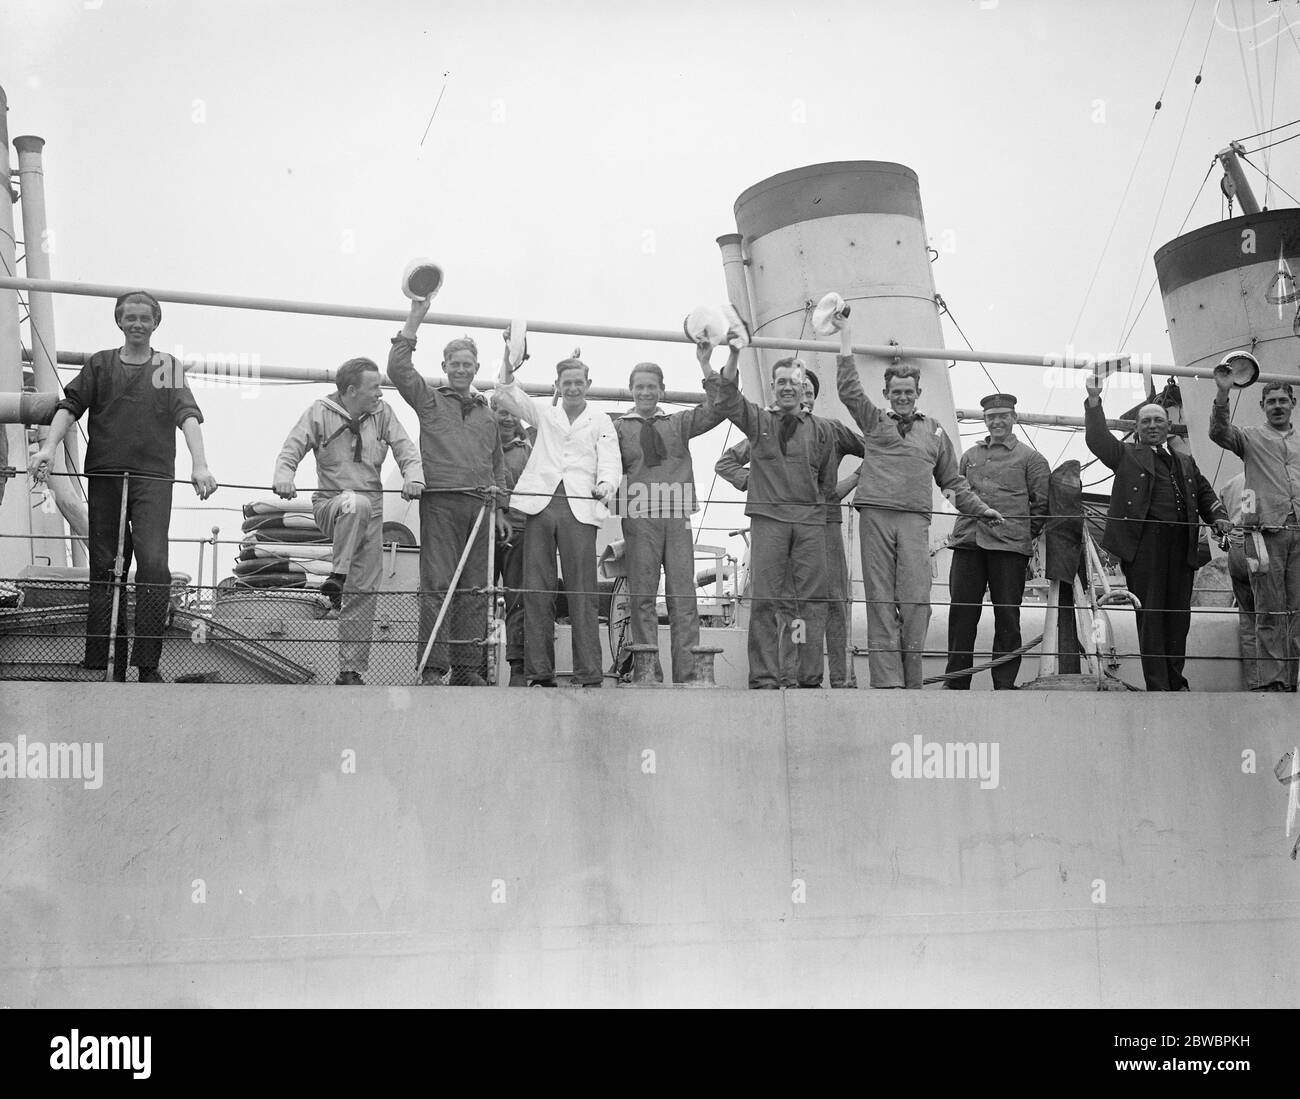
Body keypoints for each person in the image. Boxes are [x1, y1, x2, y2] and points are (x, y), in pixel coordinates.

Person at [28, 291, 217, 683]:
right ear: (118, 321)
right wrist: (48, 448)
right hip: (106, 475)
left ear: (155, 322)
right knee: (107, 565)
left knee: (153, 564)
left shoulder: (167, 367)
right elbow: (70, 407)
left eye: (144, 318)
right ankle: (103, 661)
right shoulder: (100, 364)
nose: (136, 323)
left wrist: (200, 464)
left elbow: (189, 416)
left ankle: (147, 664)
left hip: (152, 478)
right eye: (129, 317)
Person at [835, 319, 1003, 689]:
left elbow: (951, 483)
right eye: (896, 391)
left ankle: (912, 681)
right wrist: (846, 338)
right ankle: (887, 682)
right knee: (879, 601)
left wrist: (980, 510)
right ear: (887, 393)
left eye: (908, 391)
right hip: (875, 515)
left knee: (916, 602)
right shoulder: (874, 420)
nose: (903, 397)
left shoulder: (936, 431)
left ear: (918, 391)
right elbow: (848, 390)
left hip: (914, 521)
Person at [708, 351, 862, 689]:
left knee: (812, 604)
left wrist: (831, 493)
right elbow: (729, 400)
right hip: (769, 522)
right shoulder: (759, 422)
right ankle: (765, 678)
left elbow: (825, 479)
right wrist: (728, 355)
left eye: (796, 383)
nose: (790, 388)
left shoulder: (824, 430)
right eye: (782, 382)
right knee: (766, 601)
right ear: (773, 387)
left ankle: (809, 679)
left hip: (810, 524)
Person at [272, 357, 423, 685]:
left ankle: (350, 671)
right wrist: (284, 476)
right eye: (374, 388)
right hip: (333, 506)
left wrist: (414, 477)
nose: (380, 395)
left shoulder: (382, 415)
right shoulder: (319, 412)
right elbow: (292, 448)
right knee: (355, 504)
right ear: (352, 390)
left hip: (374, 515)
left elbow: (405, 449)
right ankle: (337, 577)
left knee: (365, 590)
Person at [387, 295, 509, 686]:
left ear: (475, 368)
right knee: (437, 586)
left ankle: (467, 670)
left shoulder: (488, 415)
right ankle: (433, 668)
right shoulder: (429, 401)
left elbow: (497, 465)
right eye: (454, 364)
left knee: (474, 590)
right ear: (444, 367)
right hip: (439, 503)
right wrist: (414, 319)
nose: (461, 369)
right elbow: (399, 369)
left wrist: (502, 510)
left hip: (481, 508)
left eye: (467, 364)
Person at [1085, 374, 1230, 691]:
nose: (1152, 425)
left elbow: (1205, 496)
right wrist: (1094, 400)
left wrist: (1219, 517)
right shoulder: (1125, 455)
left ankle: (1175, 680)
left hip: (1181, 545)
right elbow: (1097, 438)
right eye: (1146, 421)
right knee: (1150, 615)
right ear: (1137, 427)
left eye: (1158, 420)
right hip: (1144, 547)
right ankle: (1158, 685)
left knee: (1178, 616)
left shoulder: (1185, 461)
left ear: (1167, 427)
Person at [493, 347, 620, 687]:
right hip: (540, 506)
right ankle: (539, 672)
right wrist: (509, 355)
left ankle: (589, 673)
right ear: (558, 385)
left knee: (583, 590)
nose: (574, 388)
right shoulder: (546, 416)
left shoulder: (602, 420)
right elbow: (506, 392)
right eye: (567, 383)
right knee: (537, 588)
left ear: (588, 383)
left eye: (579, 382)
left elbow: (610, 461)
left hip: (580, 506)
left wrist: (606, 485)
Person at [612, 355, 727, 683]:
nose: (645, 392)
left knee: (683, 598)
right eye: (639, 387)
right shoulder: (618, 429)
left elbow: (718, 408)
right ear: (630, 390)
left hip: (676, 517)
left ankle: (688, 674)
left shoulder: (678, 423)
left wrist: (705, 365)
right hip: (639, 517)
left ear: (662, 390)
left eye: (651, 387)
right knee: (642, 598)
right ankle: (648, 673)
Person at [944, 393, 1050, 690]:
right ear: (985, 420)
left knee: (1007, 615)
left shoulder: (1032, 459)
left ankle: (1004, 683)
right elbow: (954, 492)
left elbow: (1042, 505)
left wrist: (1020, 535)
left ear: (1014, 418)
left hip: (1009, 549)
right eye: (991, 417)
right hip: (968, 543)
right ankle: (955, 682)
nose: (997, 421)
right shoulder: (970, 457)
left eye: (1003, 415)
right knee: (961, 615)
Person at [1209, 376, 1300, 691]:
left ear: (1293, 404)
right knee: (1269, 610)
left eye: (1282, 400)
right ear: (1262, 406)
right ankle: (1273, 682)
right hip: (1265, 534)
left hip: (1298, 532)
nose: (1277, 406)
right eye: (1271, 401)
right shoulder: (1250, 438)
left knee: (1298, 612)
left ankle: (1293, 681)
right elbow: (1219, 432)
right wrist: (1223, 391)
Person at [490, 394, 532, 685]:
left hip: (519, 531)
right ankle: (474, 665)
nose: (506, 418)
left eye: (512, 413)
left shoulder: (529, 451)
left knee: (519, 598)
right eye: (500, 412)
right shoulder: (480, 447)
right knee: (479, 598)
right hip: (482, 533)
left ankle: (518, 666)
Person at [1218, 472, 1262, 691]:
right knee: (1277, 619)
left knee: (1248, 620)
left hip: (1236, 551)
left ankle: (1255, 683)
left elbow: (1221, 523)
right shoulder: (1271, 477)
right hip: (1262, 550)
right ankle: (1278, 681)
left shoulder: (1231, 483)